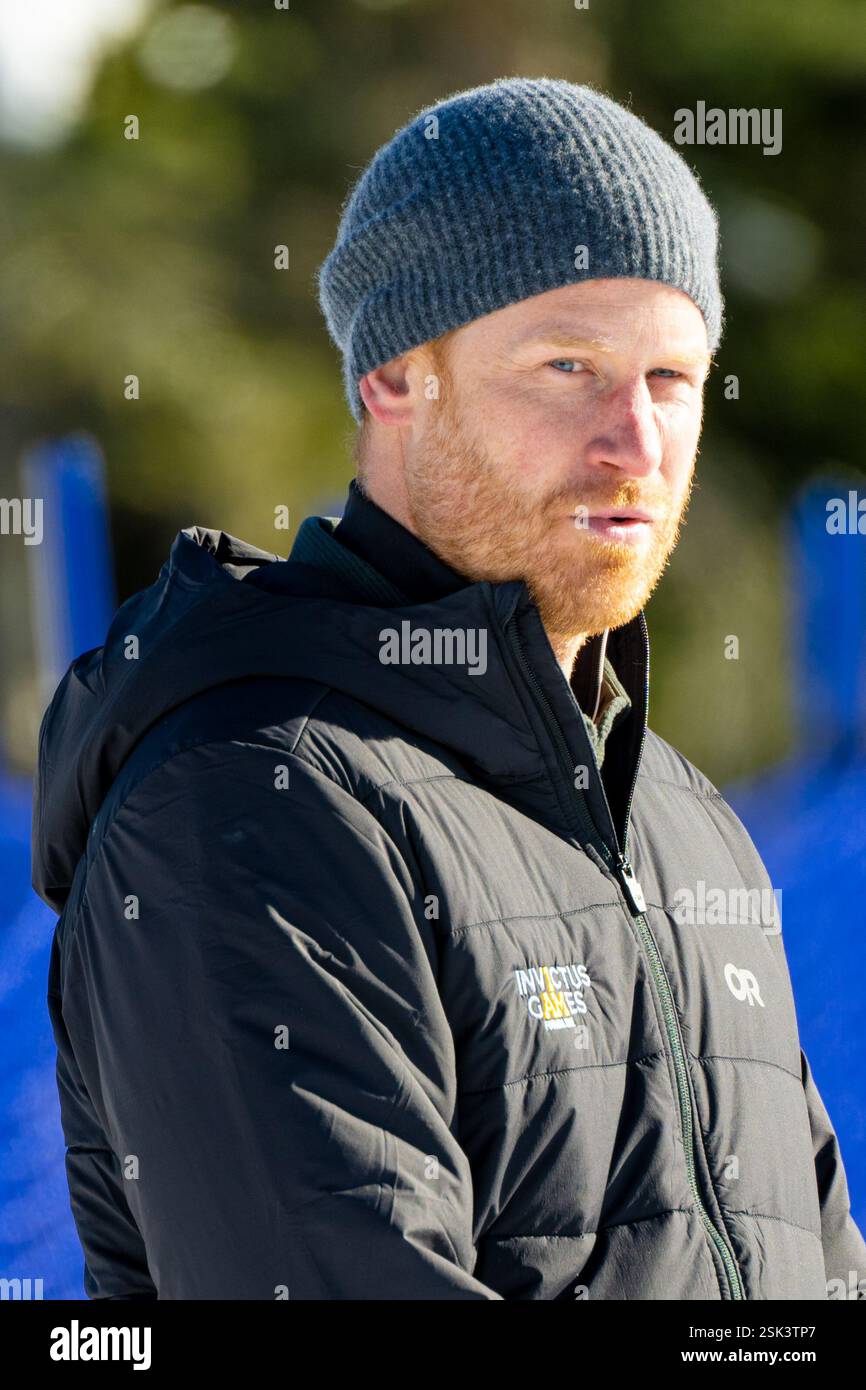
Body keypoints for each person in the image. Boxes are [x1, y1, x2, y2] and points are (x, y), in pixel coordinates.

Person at [35, 76, 865, 1300]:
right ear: (390, 378)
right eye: (567, 365)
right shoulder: (250, 802)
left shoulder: (687, 829)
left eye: (670, 380)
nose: (635, 445)